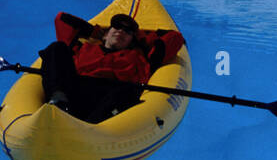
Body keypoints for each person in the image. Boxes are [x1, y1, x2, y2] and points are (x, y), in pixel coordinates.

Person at [39, 10, 185, 124]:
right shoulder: (82, 48)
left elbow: (176, 37)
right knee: (56, 47)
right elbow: (61, 19)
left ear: (132, 41)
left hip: (109, 98)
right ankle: (58, 101)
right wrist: (94, 32)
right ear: (105, 34)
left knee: (127, 90)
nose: (121, 31)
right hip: (75, 92)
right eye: (117, 27)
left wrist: (140, 38)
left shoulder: (141, 58)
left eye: (128, 32)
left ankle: (91, 129)